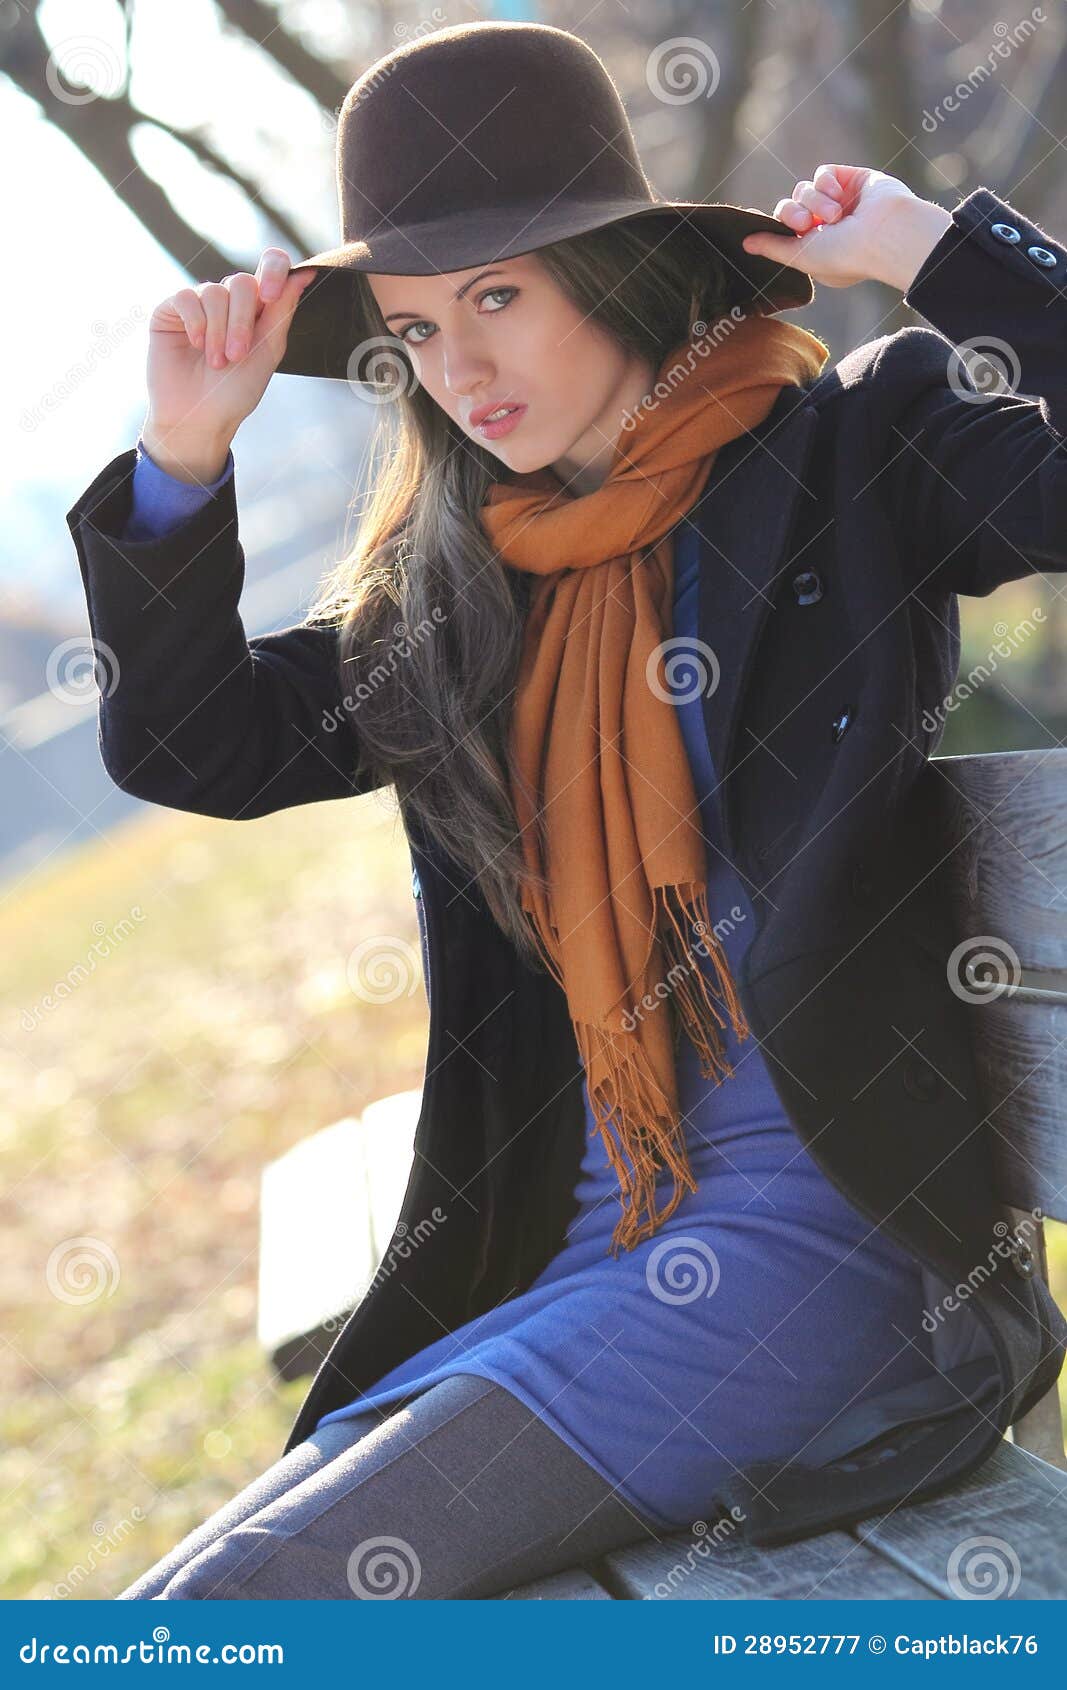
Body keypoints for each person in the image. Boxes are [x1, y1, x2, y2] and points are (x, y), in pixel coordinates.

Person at [65, 22, 1056, 1601]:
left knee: (232, 1611)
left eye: (499, 298)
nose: (458, 370)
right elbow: (202, 746)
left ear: (614, 271)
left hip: (822, 1257)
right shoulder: (471, 592)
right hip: (572, 1251)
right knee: (179, 1603)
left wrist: (946, 250)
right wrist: (184, 458)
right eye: (414, 326)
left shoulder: (858, 453)